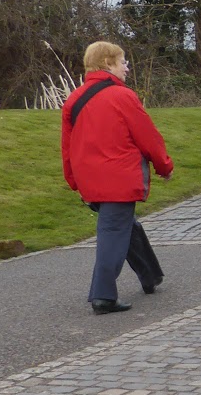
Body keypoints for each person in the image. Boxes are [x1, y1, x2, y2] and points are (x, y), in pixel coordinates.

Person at [60, 41, 173, 314]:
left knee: (125, 225)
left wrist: (73, 180)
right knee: (113, 231)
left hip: (91, 180)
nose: (127, 68)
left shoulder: (74, 99)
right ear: (108, 63)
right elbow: (148, 138)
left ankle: (151, 275)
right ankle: (103, 296)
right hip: (119, 178)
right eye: (123, 62)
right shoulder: (123, 97)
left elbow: (67, 146)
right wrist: (164, 166)